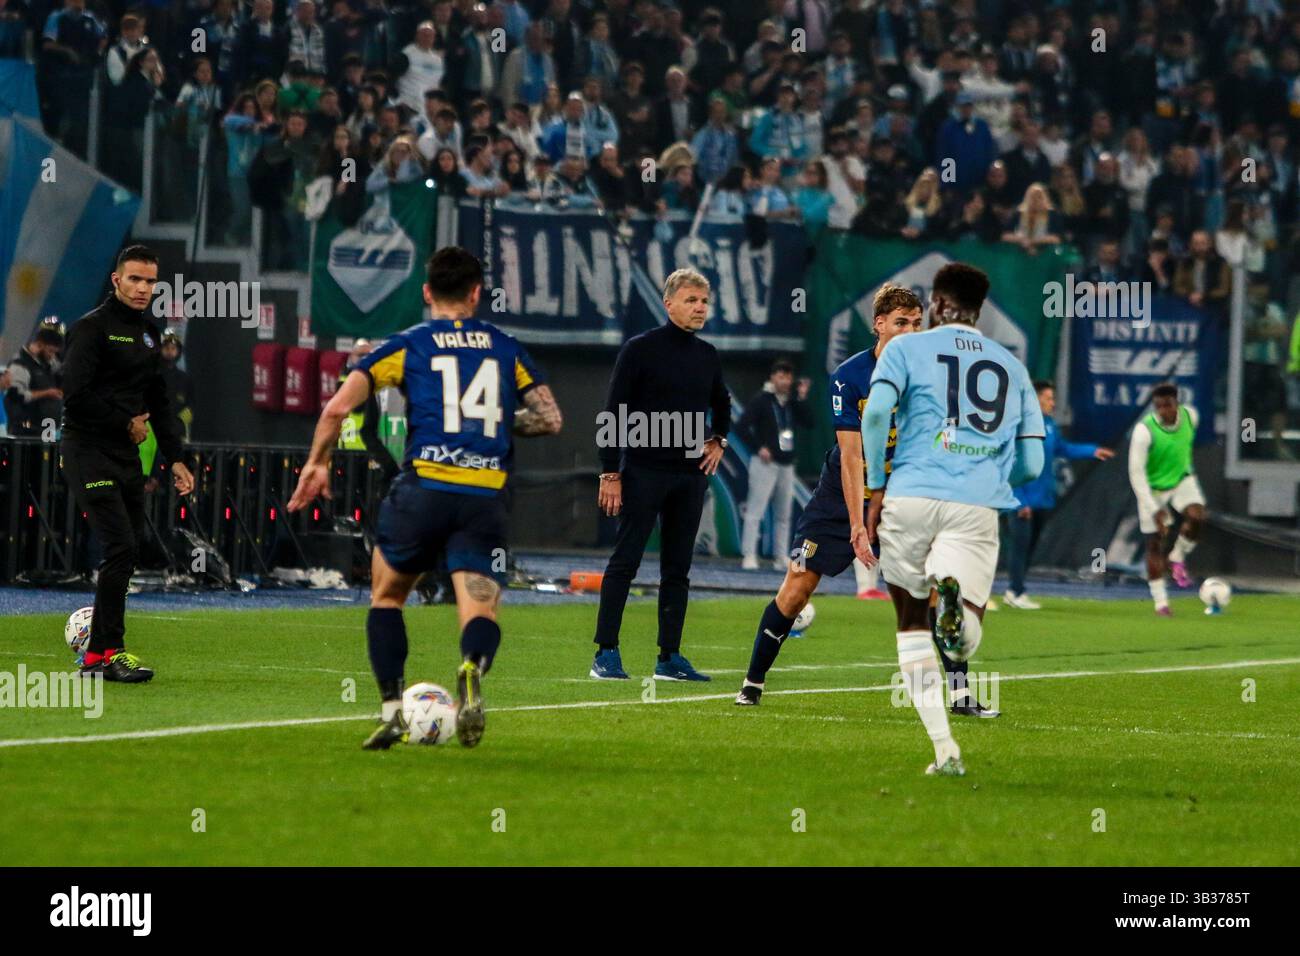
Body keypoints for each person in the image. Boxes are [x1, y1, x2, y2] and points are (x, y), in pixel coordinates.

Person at [288, 247, 562, 749]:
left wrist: (317, 464)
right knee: (479, 610)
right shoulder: (505, 347)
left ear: (426, 292)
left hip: (423, 489)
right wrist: (503, 425)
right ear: (477, 293)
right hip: (484, 495)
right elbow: (550, 418)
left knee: (388, 596)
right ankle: (471, 667)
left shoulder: (408, 344)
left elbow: (335, 409)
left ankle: (393, 708)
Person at [863, 263, 1045, 775]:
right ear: (979, 311)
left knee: (909, 627)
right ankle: (956, 610)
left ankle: (945, 750)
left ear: (938, 305)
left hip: (910, 497)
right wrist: (990, 475)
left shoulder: (904, 349)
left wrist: (876, 487)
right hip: (976, 506)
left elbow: (876, 416)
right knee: (964, 636)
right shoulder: (1012, 367)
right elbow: (1033, 464)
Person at [734, 285, 921, 707]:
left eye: (915, 323)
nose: (909, 331)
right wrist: (858, 523)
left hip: (900, 491)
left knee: (930, 586)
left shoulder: (927, 377)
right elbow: (852, 457)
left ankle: (962, 693)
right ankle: (752, 683)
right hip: (841, 493)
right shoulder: (850, 376)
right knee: (796, 588)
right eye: (900, 323)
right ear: (878, 325)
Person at [60, 246, 196, 683]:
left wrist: (176, 458)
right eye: (135, 279)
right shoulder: (90, 329)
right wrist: (125, 424)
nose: (143, 289)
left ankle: (100, 654)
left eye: (150, 281)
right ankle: (104, 654)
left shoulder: (150, 335)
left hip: (125, 456)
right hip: (87, 450)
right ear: (116, 280)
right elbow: (75, 396)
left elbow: (158, 400)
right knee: (119, 546)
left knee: (128, 549)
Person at [590, 269, 730, 682]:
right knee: (625, 562)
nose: (700, 307)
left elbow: (722, 405)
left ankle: (669, 657)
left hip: (688, 475)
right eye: (691, 300)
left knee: (677, 569)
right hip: (643, 471)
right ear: (668, 304)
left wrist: (718, 439)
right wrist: (609, 472)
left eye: (704, 301)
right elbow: (613, 409)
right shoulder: (640, 350)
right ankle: (606, 653)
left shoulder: (707, 354)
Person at [1003, 381, 1114, 610]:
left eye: (1053, 398)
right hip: (1020, 499)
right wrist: (1020, 500)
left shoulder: (1050, 424)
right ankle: (1014, 591)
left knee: (1030, 547)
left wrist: (1092, 451)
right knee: (1019, 547)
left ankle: (1015, 590)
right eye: (1049, 398)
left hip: (1041, 498)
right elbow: (1010, 464)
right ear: (1035, 399)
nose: (1053, 403)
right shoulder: (1019, 425)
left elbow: (1062, 449)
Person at [1128, 383, 1206, 616]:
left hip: (1182, 479)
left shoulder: (1191, 416)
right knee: (1154, 543)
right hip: (1152, 489)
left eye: (1168, 405)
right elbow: (1136, 473)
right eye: (1158, 406)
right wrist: (1154, 509)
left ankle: (1178, 555)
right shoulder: (1144, 431)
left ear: (1177, 404)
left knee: (1197, 515)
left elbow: (1183, 445)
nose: (1163, 410)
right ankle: (1161, 602)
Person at [736, 358, 812, 570]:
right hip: (764, 464)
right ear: (772, 377)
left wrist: (802, 398)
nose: (785, 381)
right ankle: (749, 554)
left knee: (784, 514)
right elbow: (741, 426)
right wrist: (758, 447)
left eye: (788, 377)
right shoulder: (761, 400)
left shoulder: (791, 402)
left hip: (786, 465)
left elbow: (809, 422)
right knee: (755, 510)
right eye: (781, 376)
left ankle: (780, 556)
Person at [3, 320, 65, 437]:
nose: (52, 356)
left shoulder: (49, 365)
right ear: (40, 344)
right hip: (26, 434)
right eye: (50, 351)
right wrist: (47, 393)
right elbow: (16, 395)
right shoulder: (20, 364)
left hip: (46, 432)